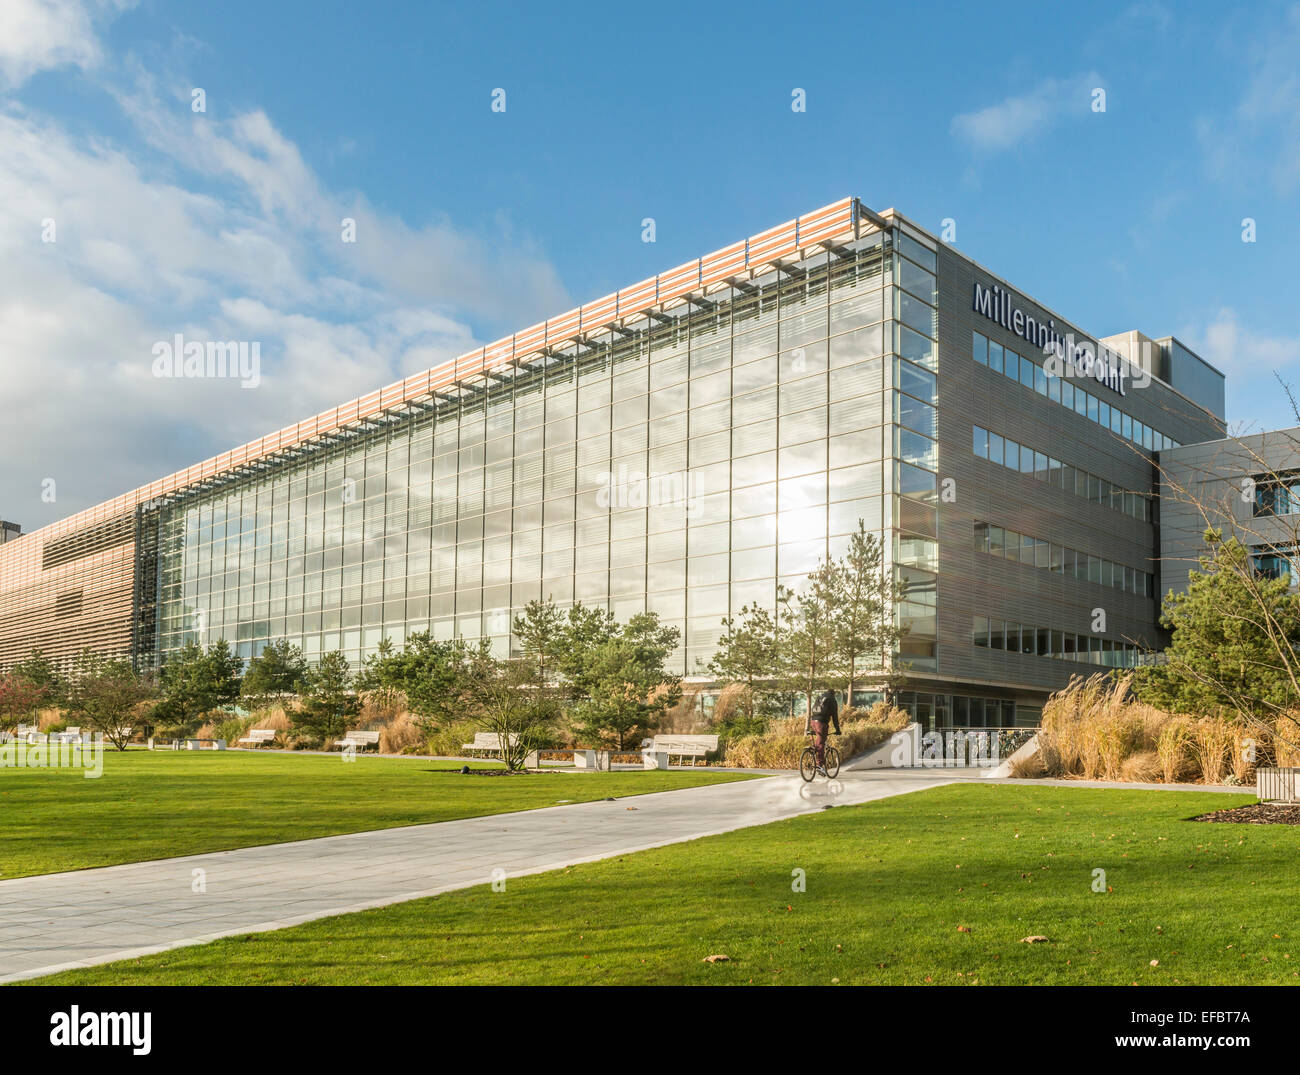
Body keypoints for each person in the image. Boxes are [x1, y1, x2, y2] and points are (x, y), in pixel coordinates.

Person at [808, 688, 840, 770]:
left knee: (819, 739)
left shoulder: (820, 697)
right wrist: (837, 729)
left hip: (813, 721)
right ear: (834, 694)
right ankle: (820, 764)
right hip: (821, 722)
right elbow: (835, 717)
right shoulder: (832, 700)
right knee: (821, 742)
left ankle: (813, 751)